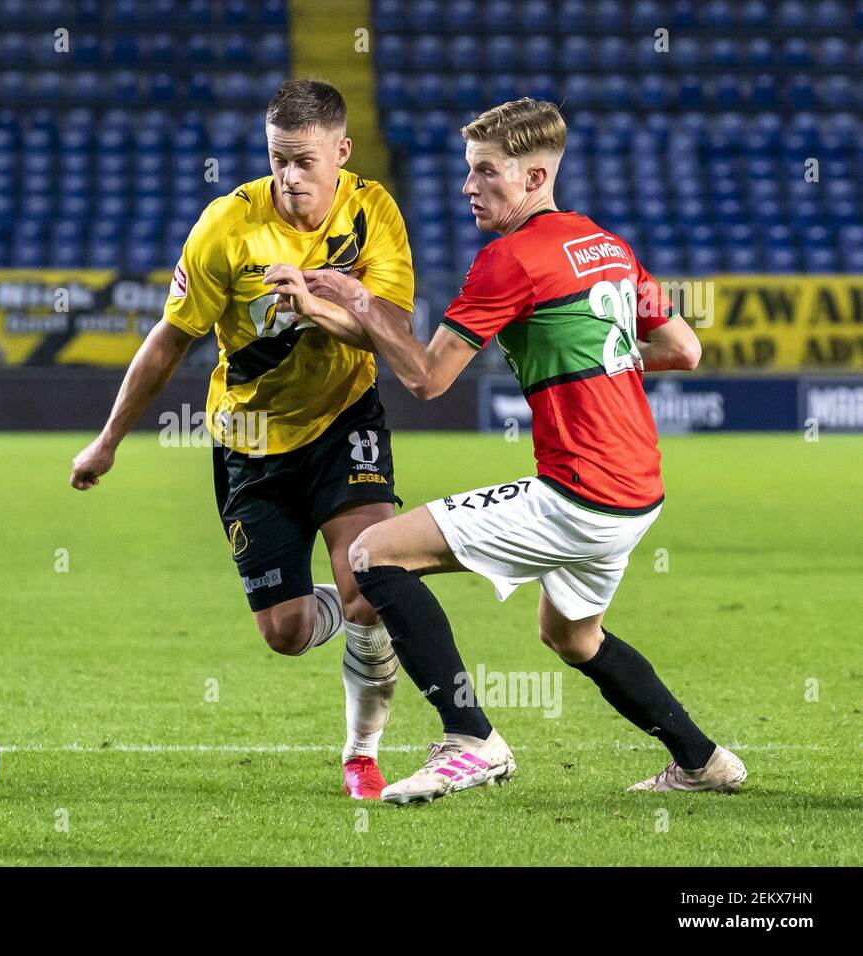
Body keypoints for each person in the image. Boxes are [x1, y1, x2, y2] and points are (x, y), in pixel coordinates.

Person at [270, 97, 745, 803]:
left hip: (581, 491)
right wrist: (332, 313)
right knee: (574, 638)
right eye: (468, 172)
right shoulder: (606, 246)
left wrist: (361, 301)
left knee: (374, 554)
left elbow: (426, 378)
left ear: (534, 177)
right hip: (637, 489)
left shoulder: (511, 260)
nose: (469, 187)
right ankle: (704, 762)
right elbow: (684, 348)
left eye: (485, 172)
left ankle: (470, 740)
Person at [70, 79, 417, 798]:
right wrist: (107, 442)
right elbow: (170, 342)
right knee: (286, 632)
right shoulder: (225, 227)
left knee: (372, 584)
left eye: (305, 161)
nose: (290, 176)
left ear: (341, 152)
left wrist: (317, 305)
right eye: (278, 159)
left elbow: (395, 335)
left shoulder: (373, 210)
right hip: (250, 439)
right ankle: (333, 599)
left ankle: (361, 754)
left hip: (344, 420)